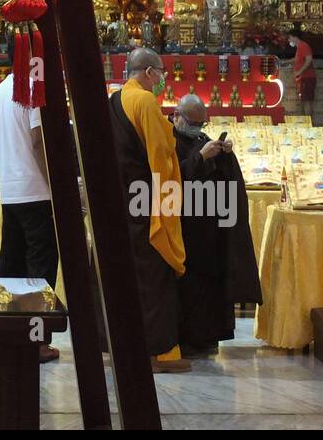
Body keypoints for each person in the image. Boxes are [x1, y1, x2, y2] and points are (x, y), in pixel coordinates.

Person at [108, 48, 189, 373]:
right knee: (154, 277)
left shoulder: (114, 99)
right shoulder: (143, 102)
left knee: (126, 275)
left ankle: (123, 346)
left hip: (122, 200)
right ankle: (158, 353)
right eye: (162, 72)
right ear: (149, 72)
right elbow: (161, 158)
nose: (164, 78)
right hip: (146, 202)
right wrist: (168, 209)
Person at [170, 95, 262, 355]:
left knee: (210, 284)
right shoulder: (166, 140)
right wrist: (199, 158)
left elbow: (222, 178)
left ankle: (208, 336)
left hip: (209, 228)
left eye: (201, 123)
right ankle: (185, 338)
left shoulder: (202, 139)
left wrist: (223, 155)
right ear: (176, 116)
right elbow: (168, 178)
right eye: (192, 122)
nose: (197, 129)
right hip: (183, 226)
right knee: (186, 285)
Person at [0, 70, 59, 364]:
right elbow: (38, 140)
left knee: (12, 265)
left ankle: (8, 334)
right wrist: (55, 185)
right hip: (36, 190)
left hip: (11, 189)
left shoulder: (0, 91)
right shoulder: (32, 87)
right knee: (40, 269)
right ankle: (37, 341)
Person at [289, 34, 315, 109]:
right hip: (303, 78)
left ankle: (308, 120)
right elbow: (297, 59)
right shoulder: (299, 48)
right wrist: (285, 62)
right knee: (304, 101)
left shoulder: (303, 46)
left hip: (307, 78)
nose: (289, 40)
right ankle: (306, 119)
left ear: (295, 37)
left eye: (290, 38)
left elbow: (309, 59)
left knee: (307, 102)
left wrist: (299, 72)